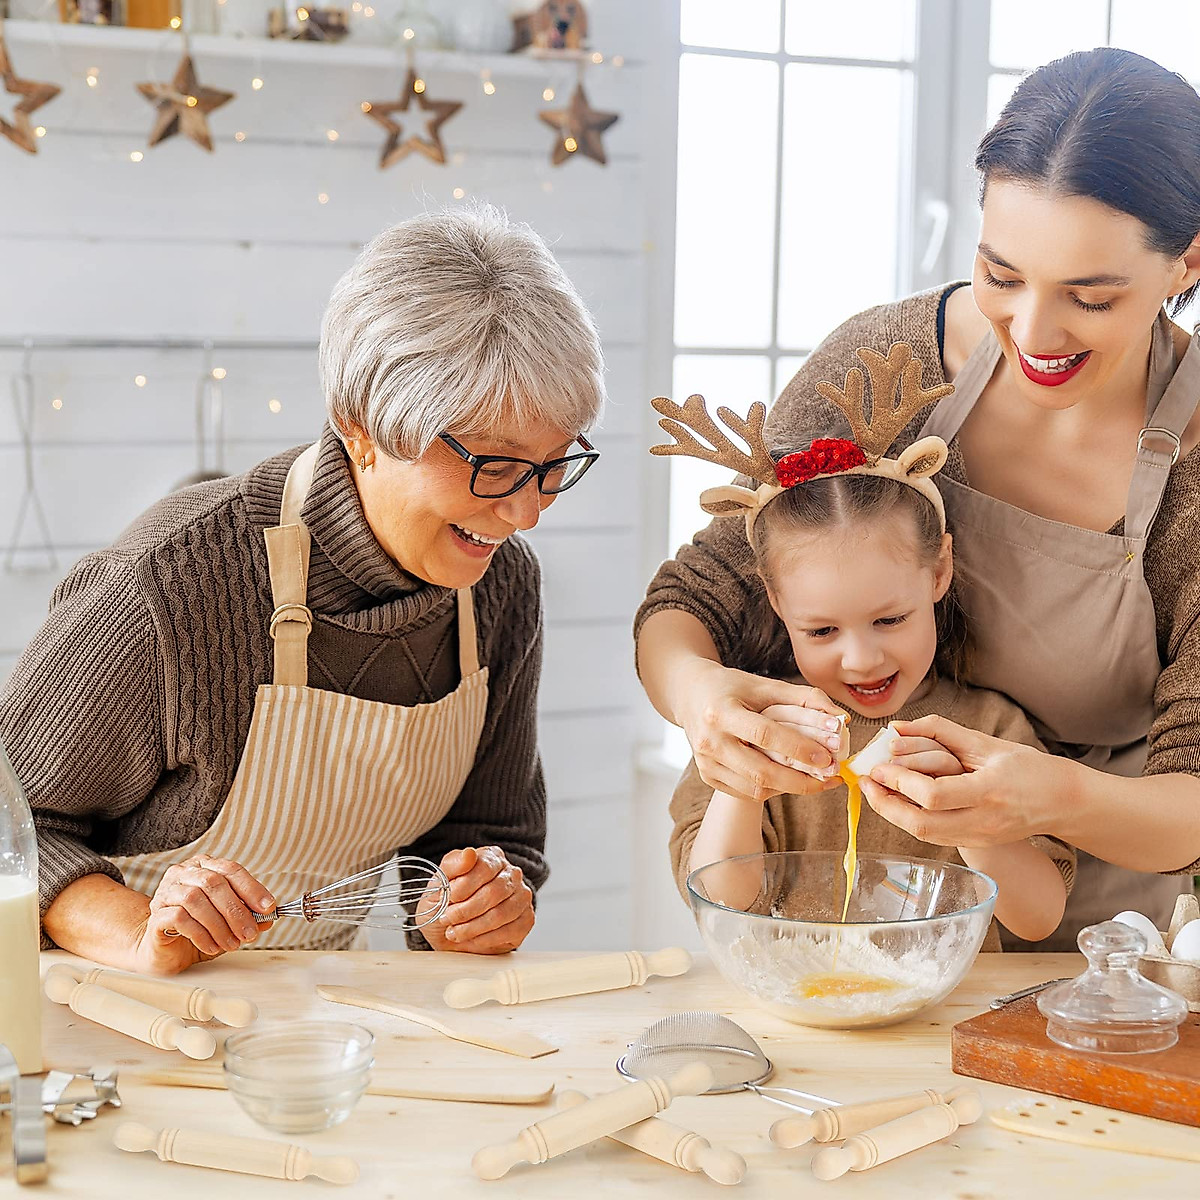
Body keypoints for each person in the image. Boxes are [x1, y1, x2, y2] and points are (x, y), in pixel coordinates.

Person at [637, 48, 1200, 951]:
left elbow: (1194, 792)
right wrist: (703, 701)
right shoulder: (885, 370)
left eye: (1089, 298)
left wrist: (1038, 799)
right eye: (1002, 275)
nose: (1033, 332)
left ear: (1186, 262)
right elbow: (697, 597)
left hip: (1105, 942)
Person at [0, 205, 605, 973]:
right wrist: (136, 933)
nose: (526, 512)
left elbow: (488, 829)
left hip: (314, 1020)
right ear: (360, 427)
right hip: (113, 1017)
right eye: (493, 464)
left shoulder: (500, 586)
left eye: (556, 465)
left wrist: (472, 906)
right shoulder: (171, 584)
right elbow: (11, 824)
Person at [657, 361, 1073, 947]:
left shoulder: (990, 731)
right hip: (796, 1022)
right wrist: (743, 780)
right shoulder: (752, 731)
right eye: (823, 631)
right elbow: (721, 905)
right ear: (777, 602)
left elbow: (1039, 916)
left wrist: (967, 813)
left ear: (939, 571)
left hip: (945, 1026)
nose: (861, 660)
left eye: (889, 620)